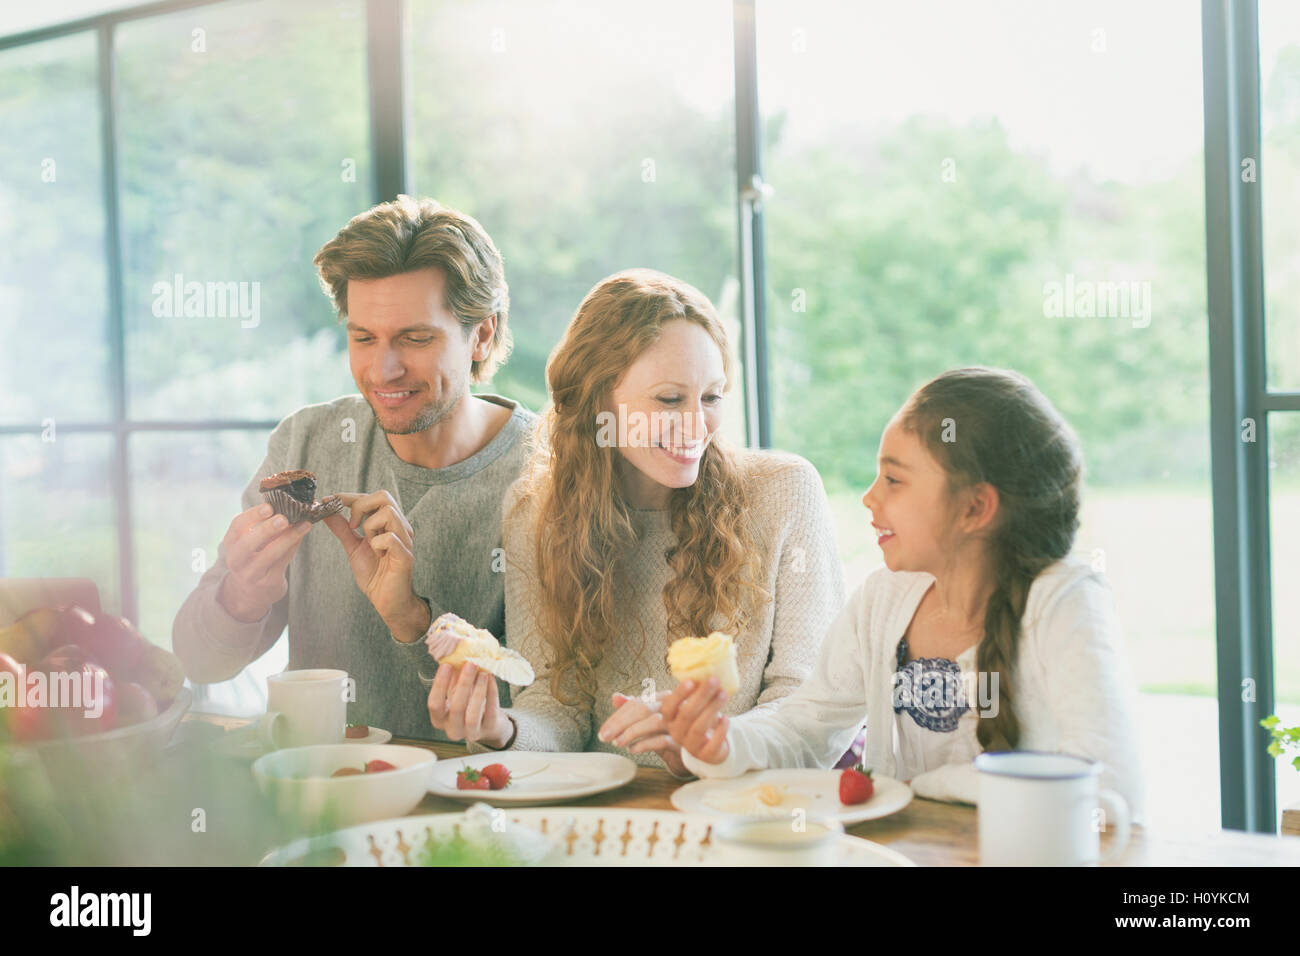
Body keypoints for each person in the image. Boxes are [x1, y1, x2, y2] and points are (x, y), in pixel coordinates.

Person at [663, 366, 1145, 820]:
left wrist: (929, 786)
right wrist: (726, 743)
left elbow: (1108, 792)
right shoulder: (883, 600)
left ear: (976, 507)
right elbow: (804, 729)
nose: (870, 496)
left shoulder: (1064, 604)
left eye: (894, 479)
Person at [426, 268, 846, 776]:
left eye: (711, 397)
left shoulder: (783, 492)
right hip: (608, 823)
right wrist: (500, 730)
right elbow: (556, 710)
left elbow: (813, 708)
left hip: (741, 815)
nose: (697, 425)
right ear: (597, 399)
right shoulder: (534, 510)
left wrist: (717, 745)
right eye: (669, 399)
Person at [173, 196, 536, 740]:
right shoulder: (306, 444)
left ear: (481, 335)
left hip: (477, 799)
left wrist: (414, 623)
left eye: (415, 338)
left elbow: (556, 712)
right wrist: (241, 597)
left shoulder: (547, 472)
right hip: (323, 793)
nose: (382, 370)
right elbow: (201, 664)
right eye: (363, 338)